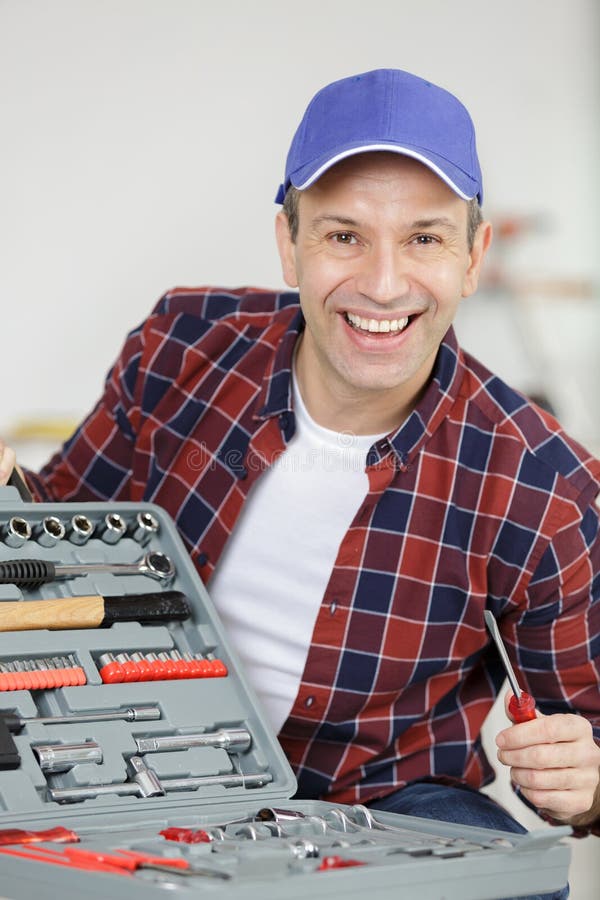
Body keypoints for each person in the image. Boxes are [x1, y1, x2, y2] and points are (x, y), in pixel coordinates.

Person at [1, 68, 599, 896]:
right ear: (290, 242)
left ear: (474, 256)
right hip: (150, 767)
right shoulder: (183, 345)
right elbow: (57, 547)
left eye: (424, 238)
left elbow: (592, 741)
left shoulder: (544, 485)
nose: (384, 284)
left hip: (387, 793)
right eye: (344, 236)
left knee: (522, 887)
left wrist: (587, 781)